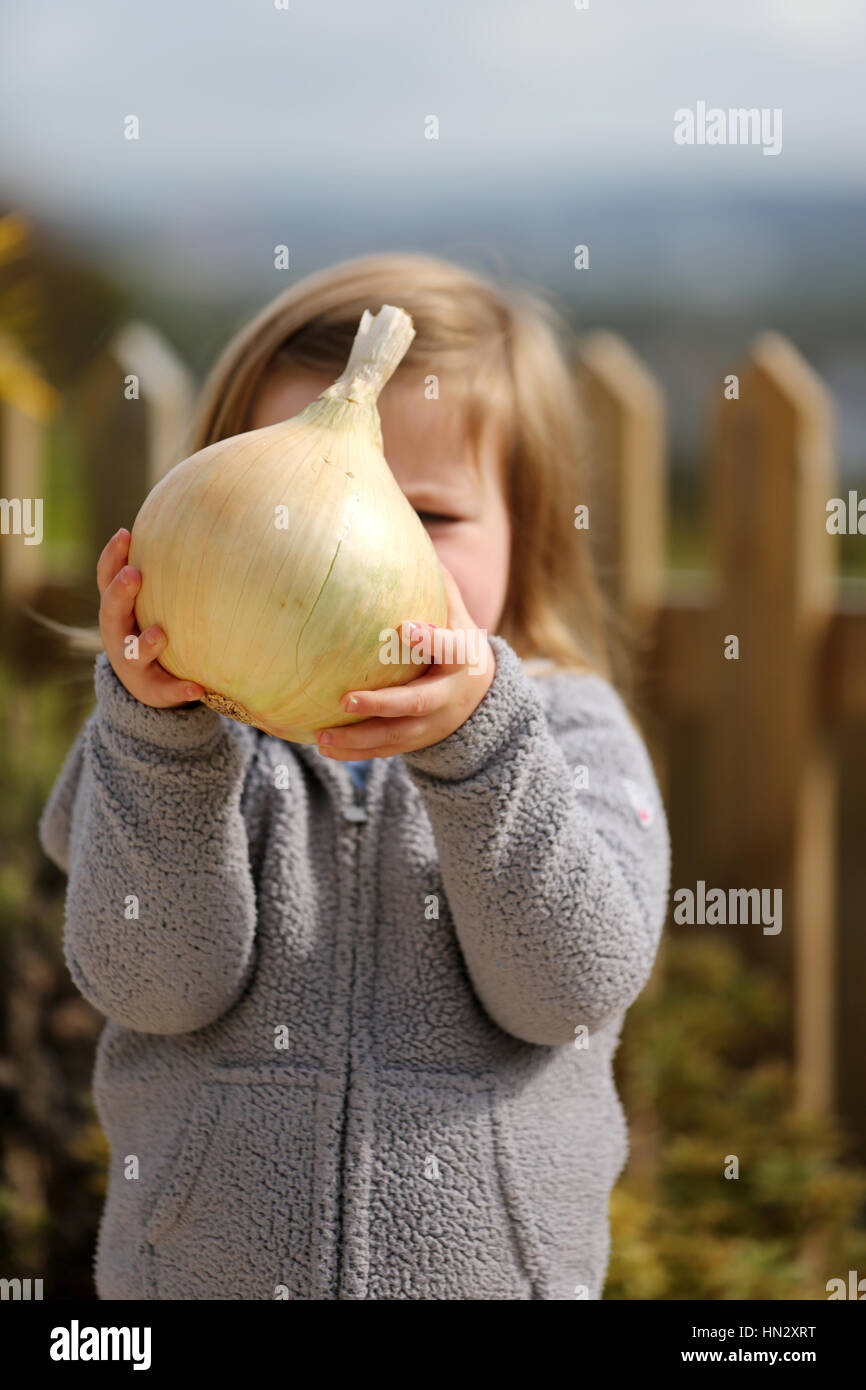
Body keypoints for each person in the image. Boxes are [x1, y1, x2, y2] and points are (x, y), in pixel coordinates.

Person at [38, 252, 670, 1300]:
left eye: (434, 516)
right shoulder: (156, 739)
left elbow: (566, 991)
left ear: (527, 535)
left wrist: (481, 748)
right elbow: (153, 984)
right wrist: (167, 745)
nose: (376, 551)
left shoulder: (565, 732)